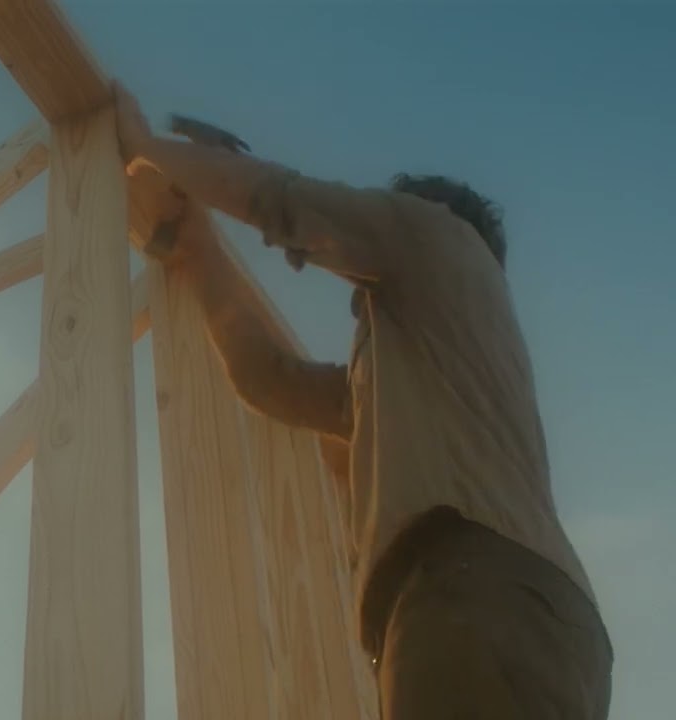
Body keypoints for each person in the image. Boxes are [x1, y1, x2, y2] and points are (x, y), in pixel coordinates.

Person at [112, 82, 614, 719]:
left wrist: (144, 148)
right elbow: (271, 379)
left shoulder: (439, 236)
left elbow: (286, 201)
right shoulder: (424, 376)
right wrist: (196, 246)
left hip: (472, 588)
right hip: (552, 626)